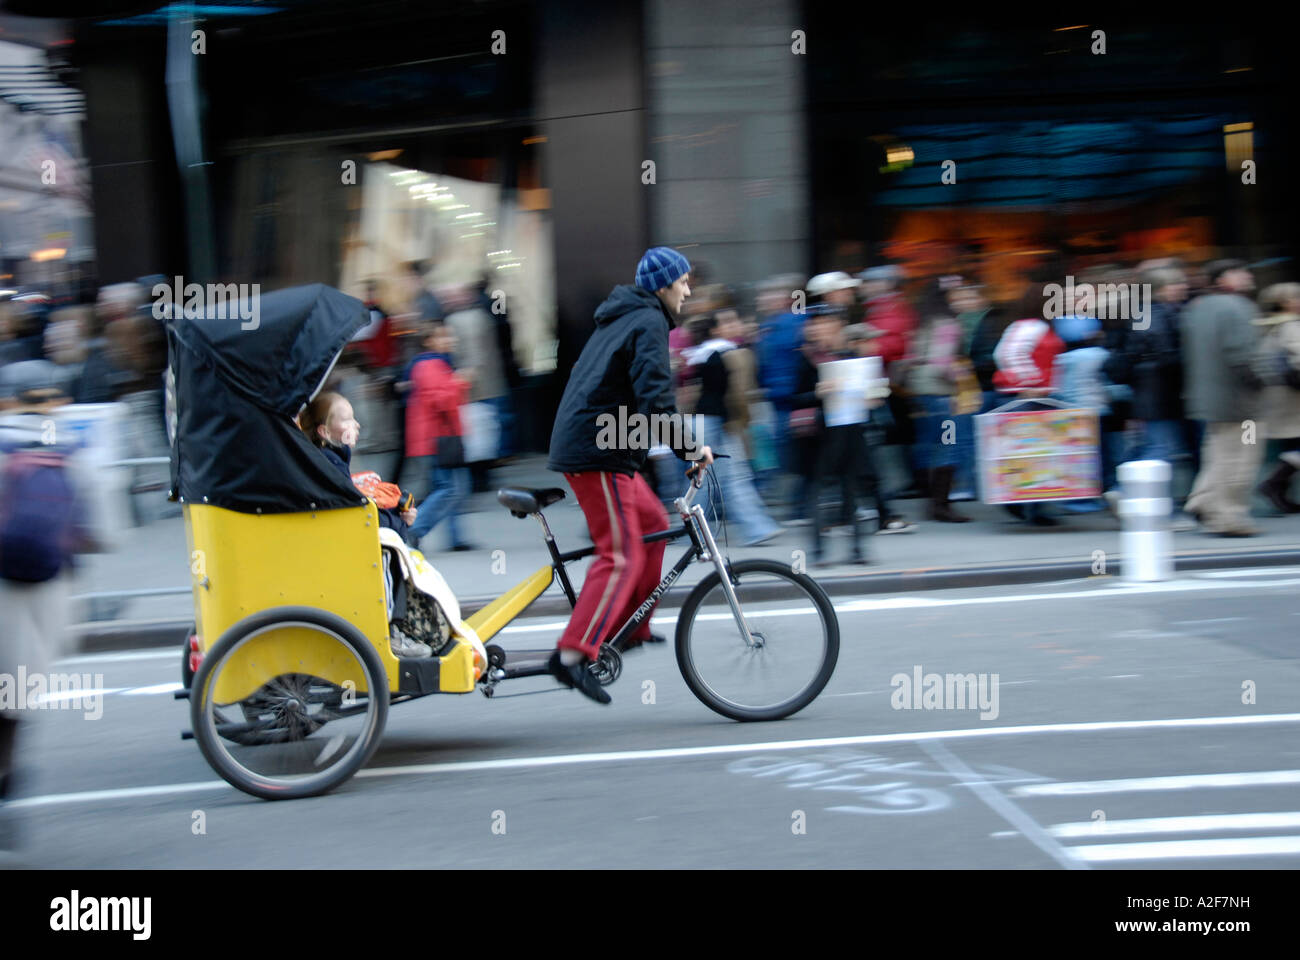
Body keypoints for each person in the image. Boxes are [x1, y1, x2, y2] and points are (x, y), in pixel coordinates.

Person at [546, 246, 713, 703]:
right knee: (619, 554)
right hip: (597, 451)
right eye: (682, 281)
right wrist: (691, 448)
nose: (687, 289)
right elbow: (656, 403)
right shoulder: (647, 322)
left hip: (607, 447)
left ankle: (631, 627)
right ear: (663, 285)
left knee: (655, 528)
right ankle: (572, 656)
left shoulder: (628, 317)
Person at [298, 391, 428, 658]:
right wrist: (401, 524)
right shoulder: (329, 465)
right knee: (392, 550)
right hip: (340, 544)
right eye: (347, 420)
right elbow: (359, 517)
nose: (356, 425)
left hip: (329, 537)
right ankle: (390, 631)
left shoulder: (326, 459)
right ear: (324, 431)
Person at [1181, 260, 1266, 536]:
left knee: (1219, 454)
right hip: (1242, 403)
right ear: (1224, 277)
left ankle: (1203, 500)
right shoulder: (1237, 307)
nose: (1248, 275)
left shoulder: (1198, 308)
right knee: (1242, 460)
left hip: (1211, 399)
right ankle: (1229, 516)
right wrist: (1264, 379)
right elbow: (1242, 356)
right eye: (1241, 271)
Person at [682, 311, 780, 545]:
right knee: (725, 477)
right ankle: (754, 528)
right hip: (720, 422)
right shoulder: (730, 353)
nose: (735, 325)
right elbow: (738, 394)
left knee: (711, 478)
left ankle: (753, 528)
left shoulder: (700, 354)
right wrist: (741, 422)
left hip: (704, 422)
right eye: (727, 322)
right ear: (715, 329)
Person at [899, 281, 972, 523]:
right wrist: (960, 374)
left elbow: (912, 356)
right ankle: (941, 506)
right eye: (957, 294)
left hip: (920, 391)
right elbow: (943, 364)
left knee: (929, 444)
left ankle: (933, 501)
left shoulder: (924, 321)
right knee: (948, 445)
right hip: (940, 392)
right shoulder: (948, 324)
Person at [404, 322, 476, 553]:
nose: (449, 340)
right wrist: (459, 382)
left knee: (455, 487)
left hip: (440, 437)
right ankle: (413, 530)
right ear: (429, 341)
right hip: (436, 439)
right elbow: (440, 401)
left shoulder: (437, 364)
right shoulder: (429, 365)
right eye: (443, 337)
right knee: (450, 488)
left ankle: (455, 538)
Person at [1253, 282, 1300, 513]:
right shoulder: (1291, 326)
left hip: (1277, 396)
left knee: (1291, 445)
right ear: (1286, 302)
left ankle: (1279, 492)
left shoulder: (1267, 326)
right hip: (1292, 397)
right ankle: (1273, 484)